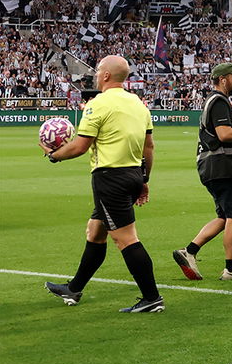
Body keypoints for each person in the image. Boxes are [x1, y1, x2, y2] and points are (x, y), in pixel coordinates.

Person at [41, 55, 164, 313]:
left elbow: (79, 146)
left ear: (106, 75)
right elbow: (149, 147)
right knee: (95, 231)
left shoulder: (97, 104)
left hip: (110, 178)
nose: (96, 74)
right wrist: (144, 180)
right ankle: (74, 288)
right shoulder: (139, 105)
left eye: (98, 70)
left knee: (126, 239)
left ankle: (152, 298)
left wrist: (53, 155)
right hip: (132, 174)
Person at [172, 62, 232, 282]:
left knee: (224, 217)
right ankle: (231, 269)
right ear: (223, 79)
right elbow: (224, 134)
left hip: (214, 167)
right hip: (223, 167)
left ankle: (188, 251)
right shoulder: (218, 101)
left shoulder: (217, 101)